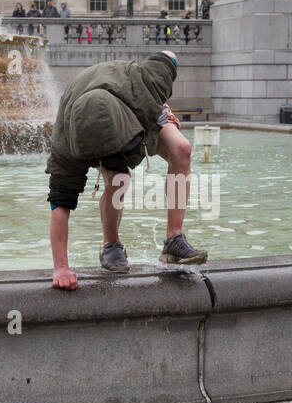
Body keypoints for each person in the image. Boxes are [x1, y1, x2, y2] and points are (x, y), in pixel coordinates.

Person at [46, 51, 206, 290]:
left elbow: (168, 57)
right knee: (119, 180)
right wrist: (60, 267)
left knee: (182, 148)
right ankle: (111, 244)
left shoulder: (145, 85)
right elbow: (59, 204)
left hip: (134, 101)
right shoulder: (65, 145)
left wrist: (162, 96)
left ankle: (173, 239)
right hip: (87, 110)